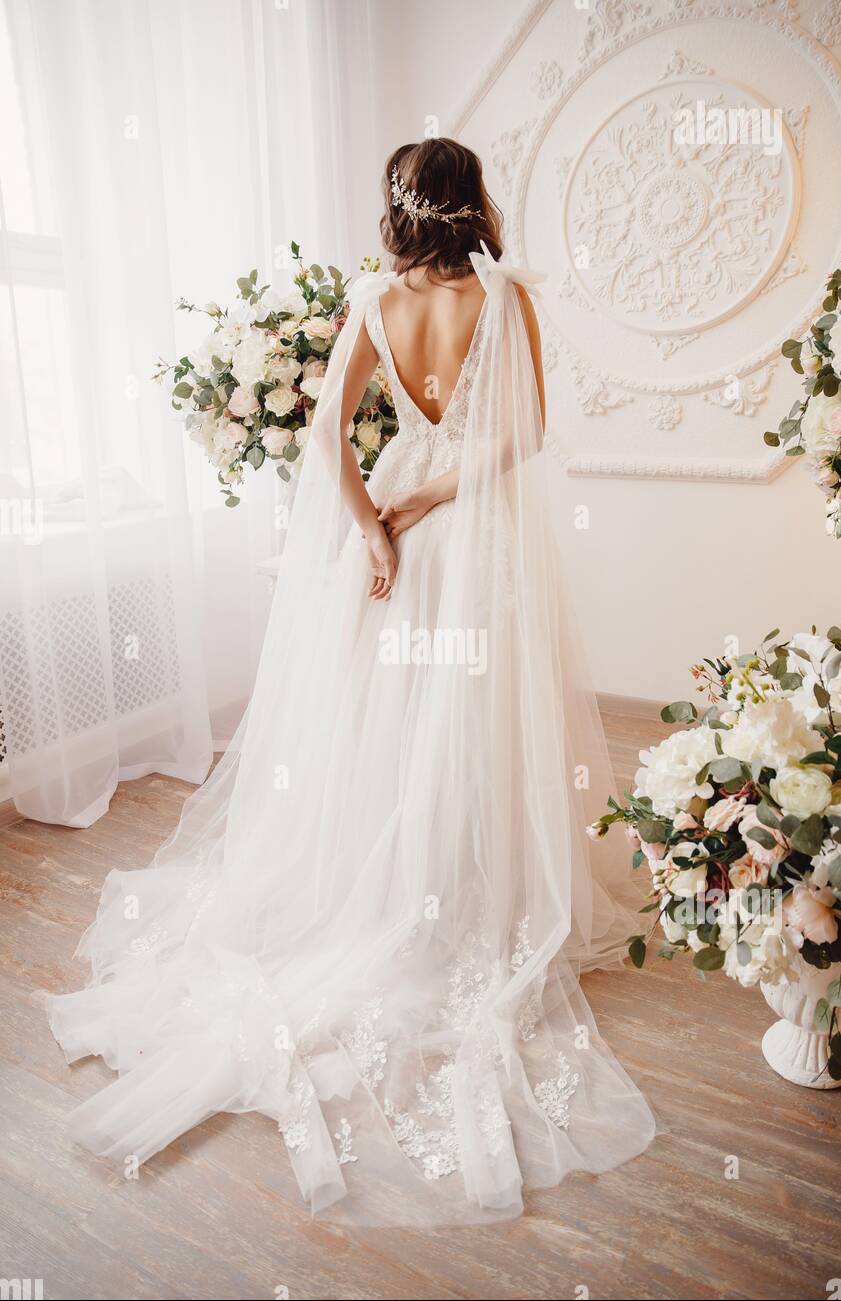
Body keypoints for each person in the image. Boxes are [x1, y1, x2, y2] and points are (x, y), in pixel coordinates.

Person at [45, 138, 655, 1225]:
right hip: (474, 528)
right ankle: (472, 880)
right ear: (472, 201)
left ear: (396, 206)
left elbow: (329, 432)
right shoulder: (506, 294)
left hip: (396, 520)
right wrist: (421, 512)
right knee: (475, 716)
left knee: (383, 719)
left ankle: (387, 885)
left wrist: (376, 522)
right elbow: (522, 433)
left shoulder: (375, 299)